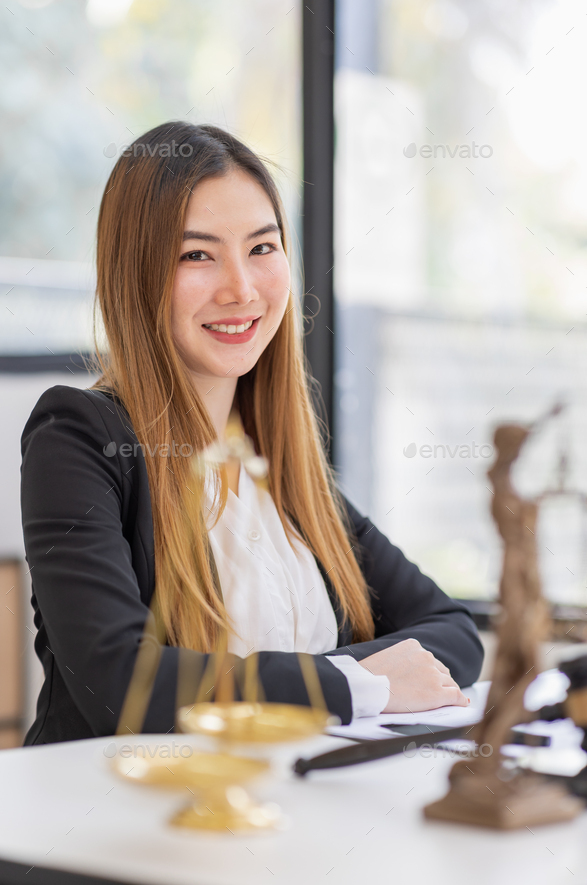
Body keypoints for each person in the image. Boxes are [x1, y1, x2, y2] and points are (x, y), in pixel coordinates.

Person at [20, 121, 483, 745]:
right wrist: (355, 685)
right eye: (197, 254)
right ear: (137, 274)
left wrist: (361, 677)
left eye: (262, 249)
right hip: (109, 827)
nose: (240, 289)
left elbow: (452, 629)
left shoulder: (282, 469)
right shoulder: (79, 437)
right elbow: (125, 685)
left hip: (283, 822)